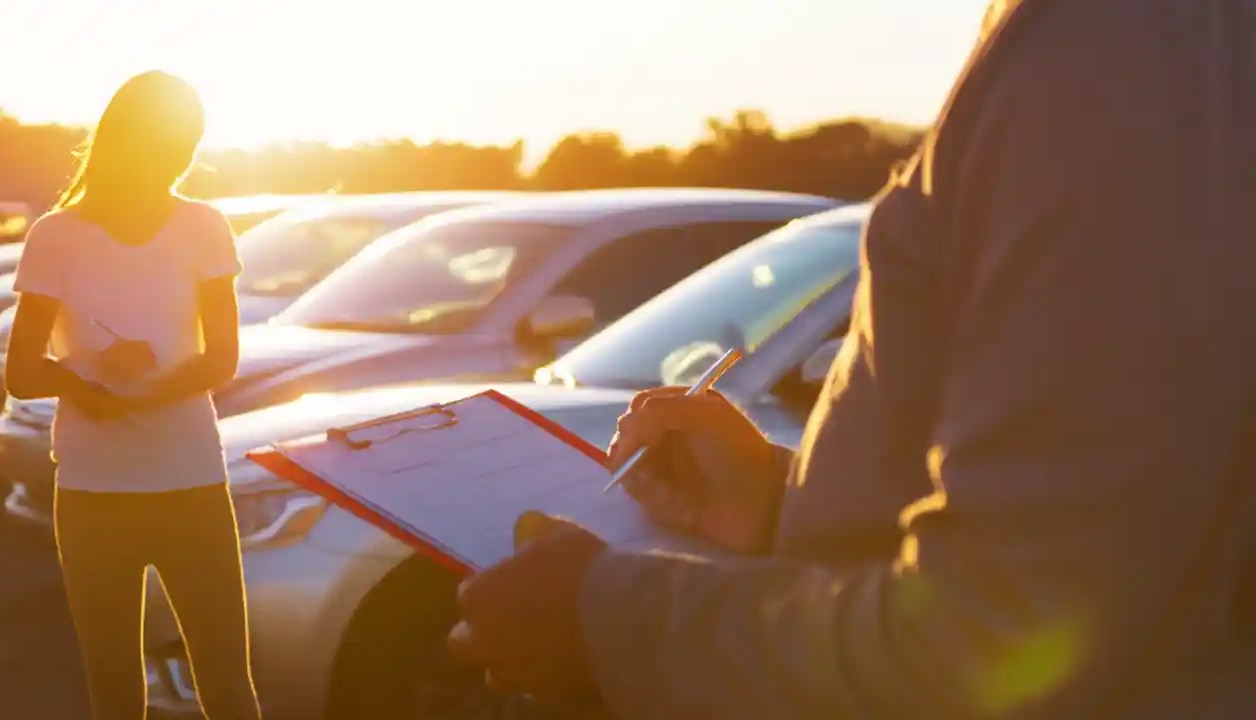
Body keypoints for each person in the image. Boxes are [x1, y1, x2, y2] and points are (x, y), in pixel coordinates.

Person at [447, 1, 1256, 717]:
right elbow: (1154, 533)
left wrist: (609, 623)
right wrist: (781, 504)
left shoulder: (1113, 50)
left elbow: (1004, 638)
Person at [6, 71, 262, 719]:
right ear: (126, 139)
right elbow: (22, 372)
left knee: (228, 686)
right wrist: (85, 378)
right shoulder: (56, 236)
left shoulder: (205, 226)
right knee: (115, 690)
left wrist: (144, 394)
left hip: (192, 483)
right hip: (95, 495)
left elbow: (222, 358)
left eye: (189, 142)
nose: (179, 157)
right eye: (169, 140)